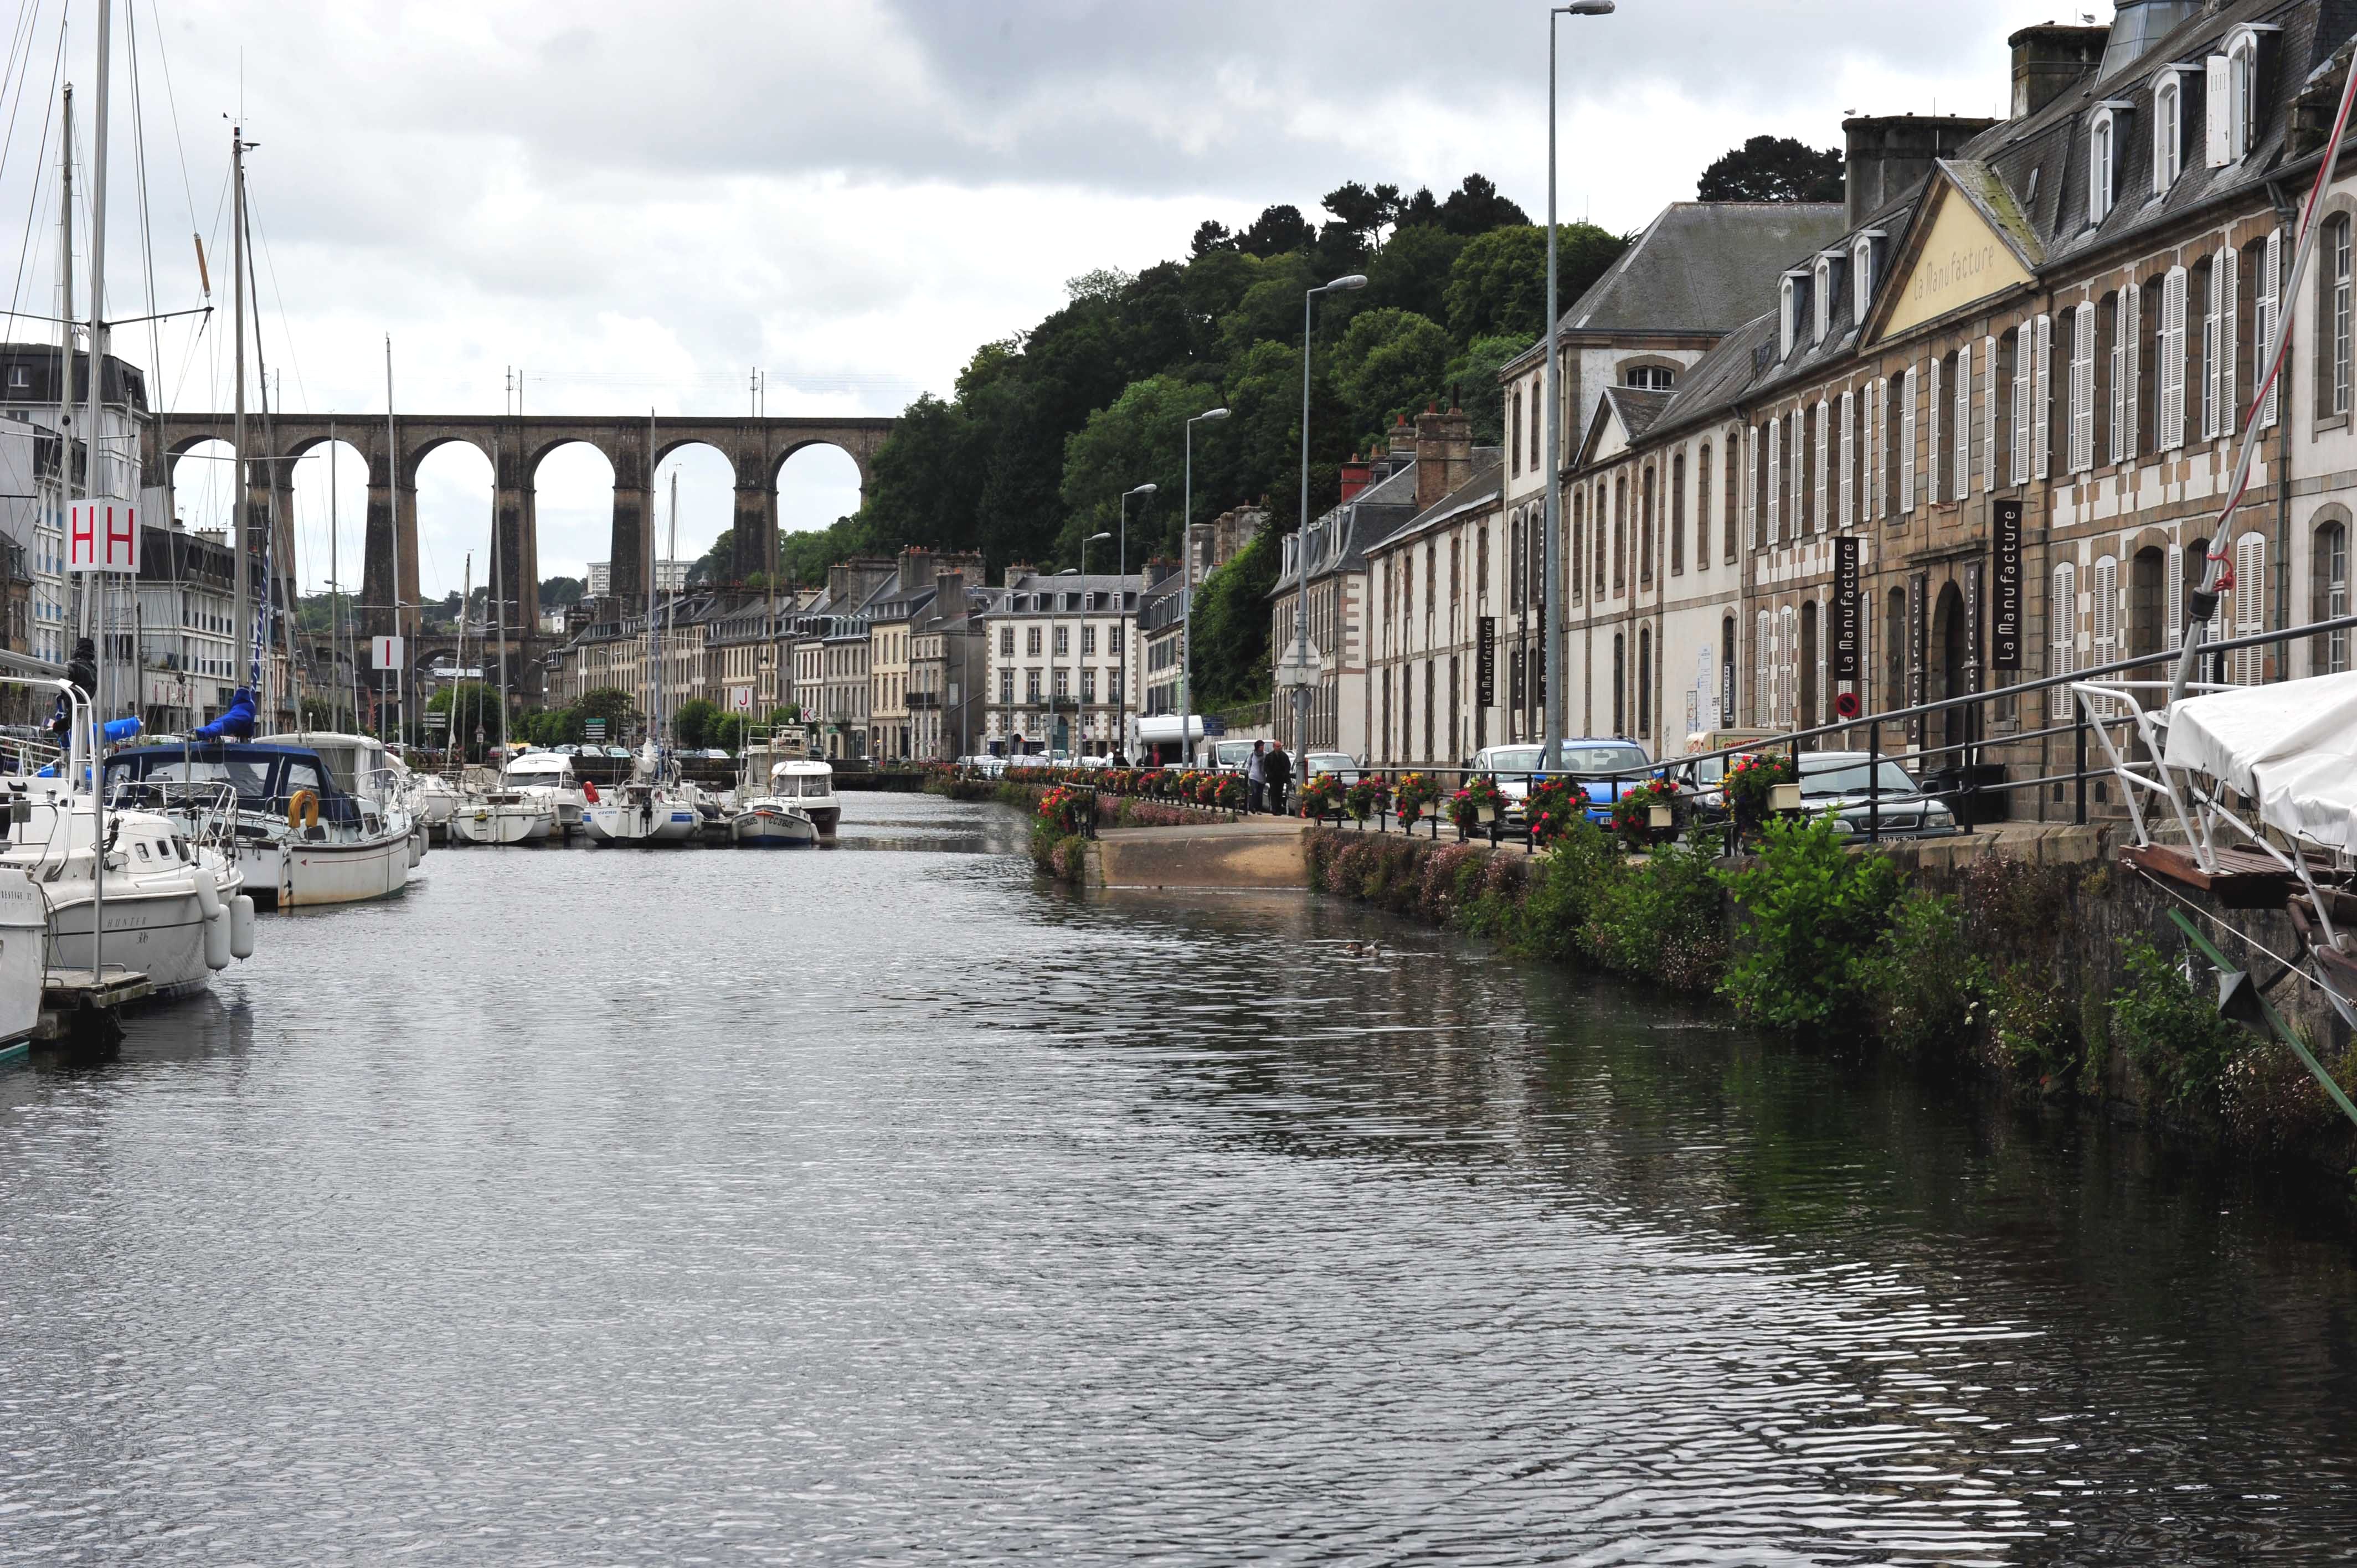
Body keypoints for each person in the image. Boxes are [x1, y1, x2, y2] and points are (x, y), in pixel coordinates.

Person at [1263, 740, 1294, 816]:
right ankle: (1274, 809)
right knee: (1273, 794)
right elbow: (1266, 767)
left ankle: (1279, 810)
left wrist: (1285, 775)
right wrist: (1270, 774)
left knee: (1280, 794)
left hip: (1281, 779)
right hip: (1273, 779)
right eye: (1278, 746)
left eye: (1280, 746)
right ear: (1274, 747)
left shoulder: (1284, 756)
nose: (1279, 748)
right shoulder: (1269, 756)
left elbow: (1288, 766)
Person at [1247, 739, 1267, 814]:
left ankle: (1259, 809)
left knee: (1260, 794)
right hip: (1254, 776)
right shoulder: (1252, 754)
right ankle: (1253, 807)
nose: (1262, 748)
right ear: (1257, 747)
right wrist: (1250, 773)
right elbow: (1249, 764)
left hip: (1262, 777)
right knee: (1254, 792)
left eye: (1263, 746)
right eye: (1261, 746)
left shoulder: (1265, 755)